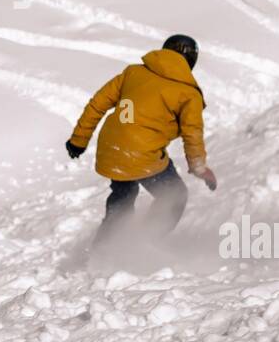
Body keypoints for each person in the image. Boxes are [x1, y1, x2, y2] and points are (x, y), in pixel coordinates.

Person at [65, 34, 217, 245]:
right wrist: (200, 168)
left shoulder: (133, 72)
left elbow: (97, 104)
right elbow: (193, 133)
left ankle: (102, 250)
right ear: (191, 62)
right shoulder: (187, 93)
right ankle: (143, 244)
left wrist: (78, 140)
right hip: (142, 155)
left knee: (124, 195)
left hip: (112, 147)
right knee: (174, 195)